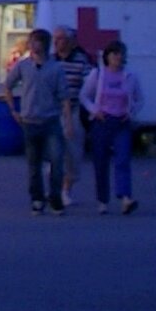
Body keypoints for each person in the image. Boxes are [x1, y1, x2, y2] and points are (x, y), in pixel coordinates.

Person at [4, 28, 66, 214]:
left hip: (50, 119)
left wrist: (67, 120)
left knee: (57, 160)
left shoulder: (55, 67)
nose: (32, 45)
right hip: (29, 120)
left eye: (36, 41)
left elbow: (64, 96)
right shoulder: (23, 66)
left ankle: (55, 196)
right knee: (33, 164)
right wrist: (13, 110)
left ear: (44, 44)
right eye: (31, 41)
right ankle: (37, 198)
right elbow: (8, 85)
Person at [80, 40, 143, 215]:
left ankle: (125, 197)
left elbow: (140, 99)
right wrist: (95, 110)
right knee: (101, 161)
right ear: (107, 56)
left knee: (122, 159)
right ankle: (102, 200)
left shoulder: (130, 77)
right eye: (115, 53)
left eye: (121, 54)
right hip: (102, 121)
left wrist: (132, 112)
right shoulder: (98, 74)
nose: (118, 57)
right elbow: (84, 96)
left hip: (121, 122)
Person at [52, 26, 93, 206]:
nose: (57, 42)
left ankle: (67, 187)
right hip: (53, 111)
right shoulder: (50, 62)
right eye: (55, 39)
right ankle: (56, 189)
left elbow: (90, 84)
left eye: (60, 38)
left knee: (73, 153)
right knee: (53, 152)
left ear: (69, 41)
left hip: (74, 109)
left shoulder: (81, 61)